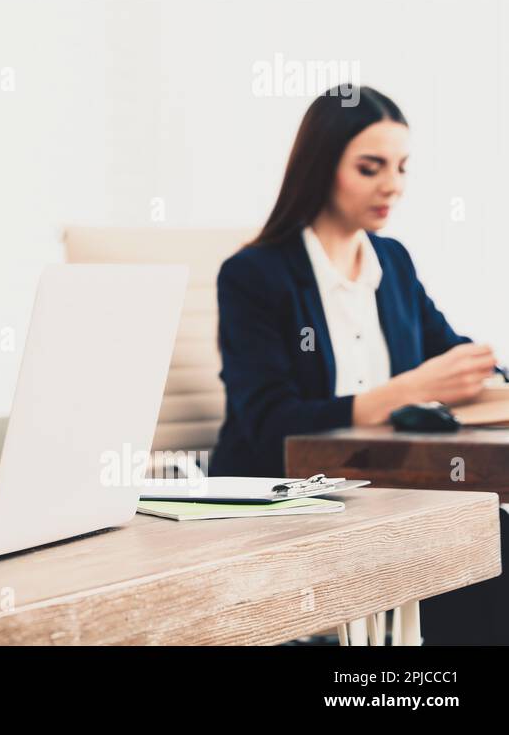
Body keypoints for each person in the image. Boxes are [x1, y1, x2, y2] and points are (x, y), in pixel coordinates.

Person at [213, 84, 507, 644]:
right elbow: (270, 422)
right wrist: (405, 390)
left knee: (489, 533)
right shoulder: (255, 275)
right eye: (370, 167)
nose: (392, 185)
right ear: (322, 166)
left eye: (401, 167)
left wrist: (479, 372)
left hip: (388, 491)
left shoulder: (390, 261)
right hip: (287, 499)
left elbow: (449, 350)